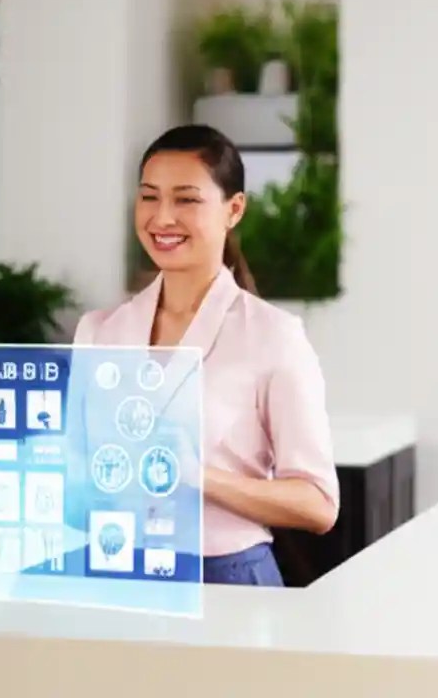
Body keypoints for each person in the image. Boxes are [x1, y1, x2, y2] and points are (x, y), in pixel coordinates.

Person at [73, 124, 339, 587]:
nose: (162, 217)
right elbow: (74, 480)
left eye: (187, 199)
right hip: (115, 573)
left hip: (225, 579)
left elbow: (318, 504)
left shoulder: (274, 336)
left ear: (233, 210)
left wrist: (197, 476)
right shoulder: (98, 332)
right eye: (149, 197)